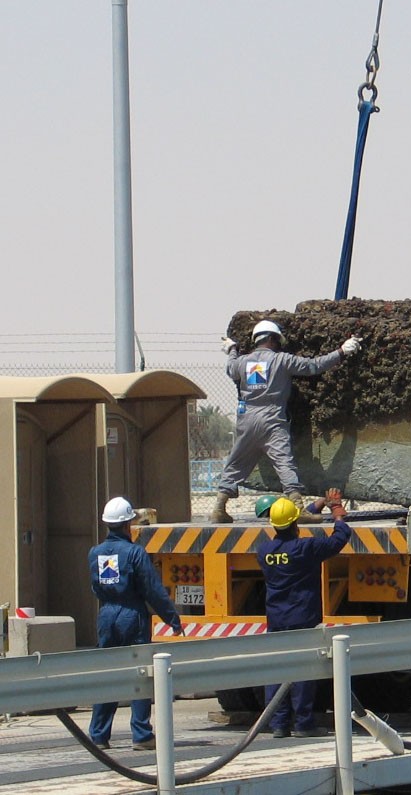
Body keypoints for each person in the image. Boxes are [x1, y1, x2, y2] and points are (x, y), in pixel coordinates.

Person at [213, 319, 361, 523]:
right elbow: (313, 366)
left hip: (246, 419)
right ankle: (299, 509)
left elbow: (230, 368)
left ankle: (219, 508)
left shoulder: (243, 362)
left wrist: (231, 349)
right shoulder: (282, 360)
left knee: (236, 462)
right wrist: (341, 352)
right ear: (273, 339)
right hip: (272, 419)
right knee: (284, 463)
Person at [88, 496, 184, 751]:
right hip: (132, 614)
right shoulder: (135, 553)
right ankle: (141, 735)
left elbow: (96, 587)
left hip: (107, 614)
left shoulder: (95, 553)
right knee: (141, 673)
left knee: (108, 674)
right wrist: (172, 619)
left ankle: (99, 735)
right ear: (127, 524)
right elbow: (153, 590)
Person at [257, 492, 351, 738]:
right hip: (301, 617)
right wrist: (337, 512)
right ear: (296, 523)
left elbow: (292, 522)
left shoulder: (264, 551)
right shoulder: (305, 548)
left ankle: (278, 724)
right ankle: (303, 724)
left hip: (276, 619)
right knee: (302, 671)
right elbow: (339, 539)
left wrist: (318, 504)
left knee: (277, 669)